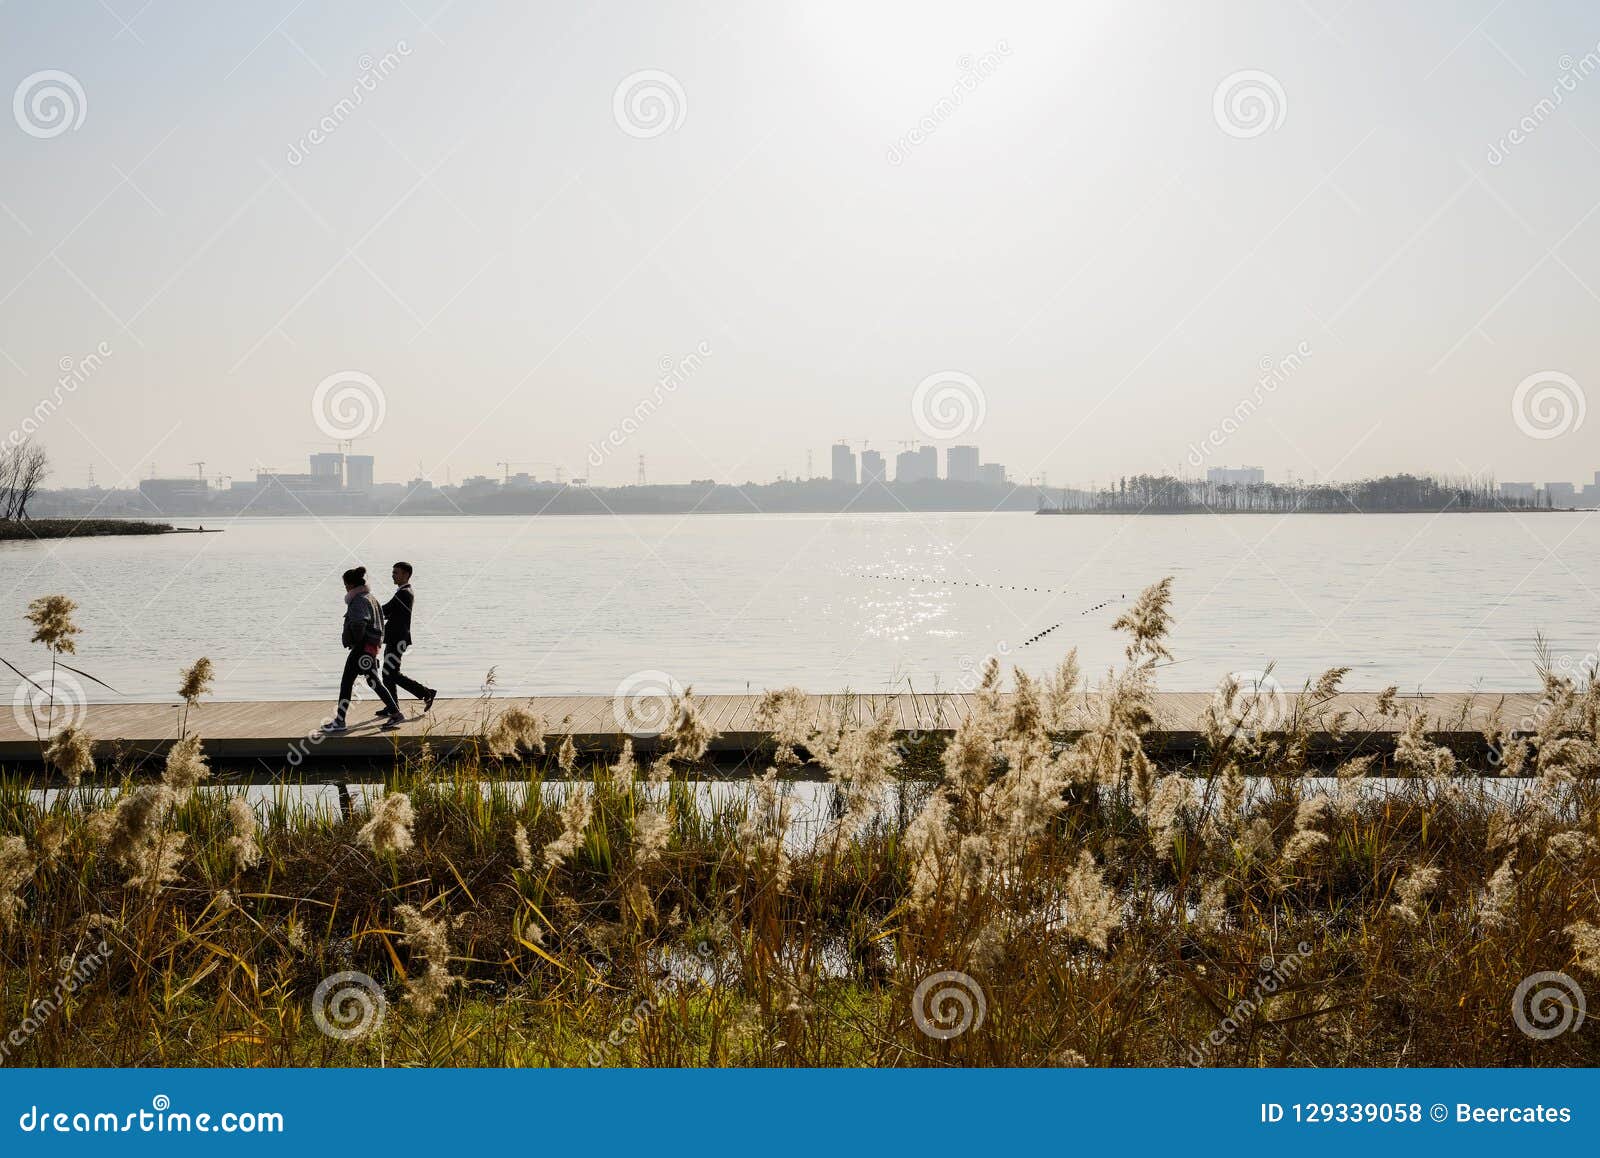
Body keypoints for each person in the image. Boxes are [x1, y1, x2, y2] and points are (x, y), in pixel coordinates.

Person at [323, 566, 402, 733]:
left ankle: (340, 721)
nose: (345, 588)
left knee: (347, 682)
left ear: (351, 585)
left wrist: (356, 643)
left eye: (345, 585)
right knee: (373, 681)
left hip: (362, 648)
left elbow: (359, 623)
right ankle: (395, 713)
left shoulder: (358, 600)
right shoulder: (370, 597)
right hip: (371, 648)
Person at [377, 560, 437, 717]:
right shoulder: (403, 592)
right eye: (393, 572)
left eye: (396, 573)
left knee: (391, 674)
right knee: (388, 674)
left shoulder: (404, 593)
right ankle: (392, 705)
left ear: (406, 575)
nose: (393, 576)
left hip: (398, 639)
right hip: (397, 639)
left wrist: (369, 609)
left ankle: (426, 693)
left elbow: (387, 609)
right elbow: (391, 612)